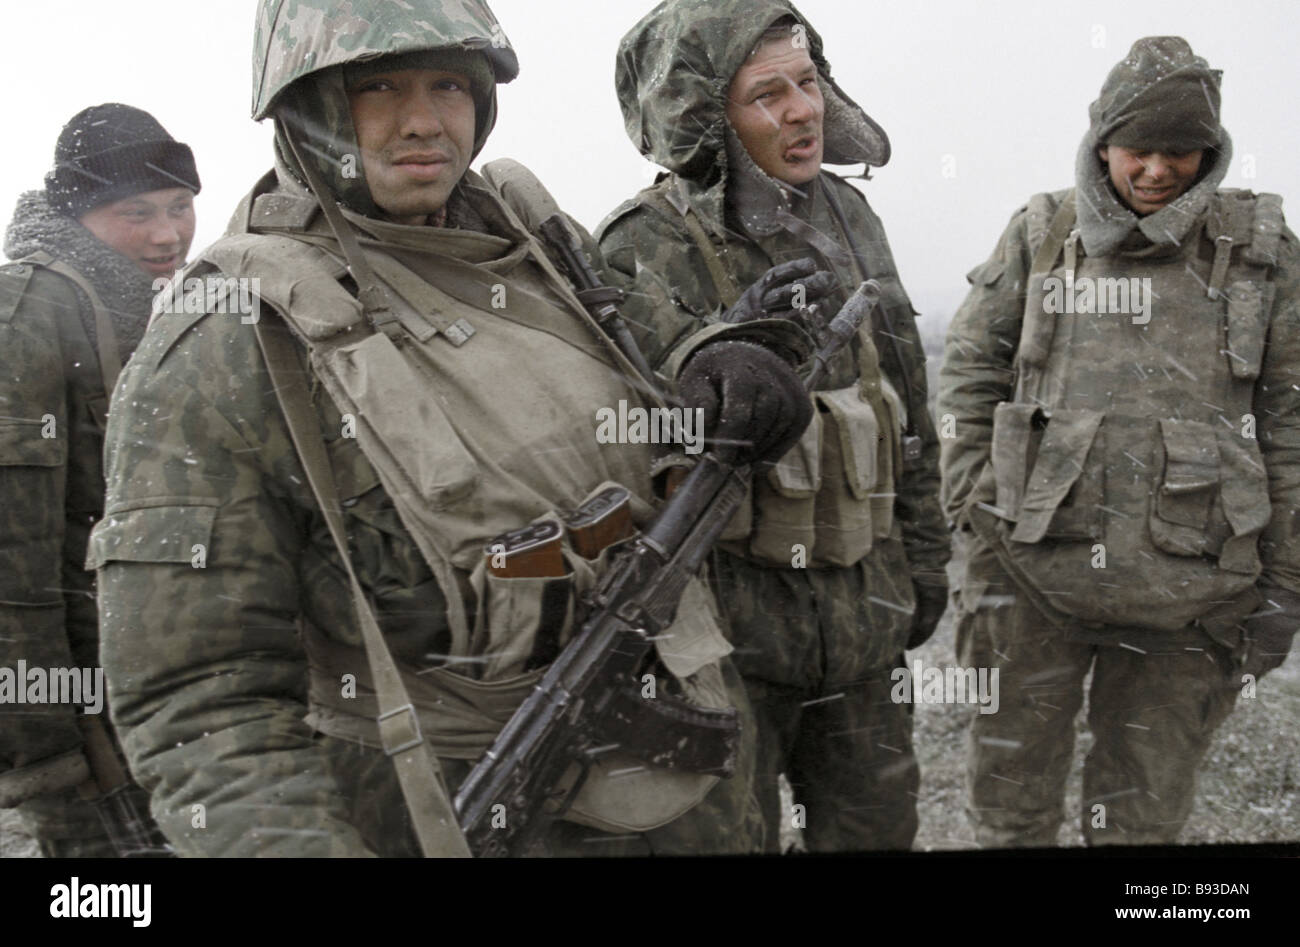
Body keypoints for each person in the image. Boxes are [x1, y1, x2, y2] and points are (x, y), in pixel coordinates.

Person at [91, 0, 816, 857]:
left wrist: (720, 359)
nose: (424, 121)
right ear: (308, 106)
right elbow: (201, 700)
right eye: (377, 87)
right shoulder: (226, 339)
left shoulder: (528, 232)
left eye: (448, 83)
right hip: (444, 807)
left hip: (689, 775)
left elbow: (652, 339)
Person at [597, 0, 950, 852]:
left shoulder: (850, 216)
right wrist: (714, 353)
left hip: (867, 632)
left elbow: (905, 398)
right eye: (765, 94)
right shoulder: (641, 244)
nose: (802, 110)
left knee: (877, 832)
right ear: (704, 118)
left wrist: (925, 555)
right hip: (729, 651)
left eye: (807, 81)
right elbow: (626, 447)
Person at [938, 36, 1300, 847]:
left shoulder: (1265, 256)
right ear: (1103, 144)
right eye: (1140, 148)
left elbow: (1291, 424)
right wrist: (973, 508)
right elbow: (967, 370)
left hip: (1194, 597)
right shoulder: (1040, 232)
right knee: (1010, 808)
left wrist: (1285, 583)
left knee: (1141, 822)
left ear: (1211, 151)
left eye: (1182, 150)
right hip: (1030, 578)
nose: (1159, 170)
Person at [0, 103, 199, 857]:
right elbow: (12, 561)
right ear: (78, 216)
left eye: (180, 206)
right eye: (135, 212)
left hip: (148, 702)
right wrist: (42, 757)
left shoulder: (140, 309)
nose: (166, 234)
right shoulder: (25, 314)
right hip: (77, 725)